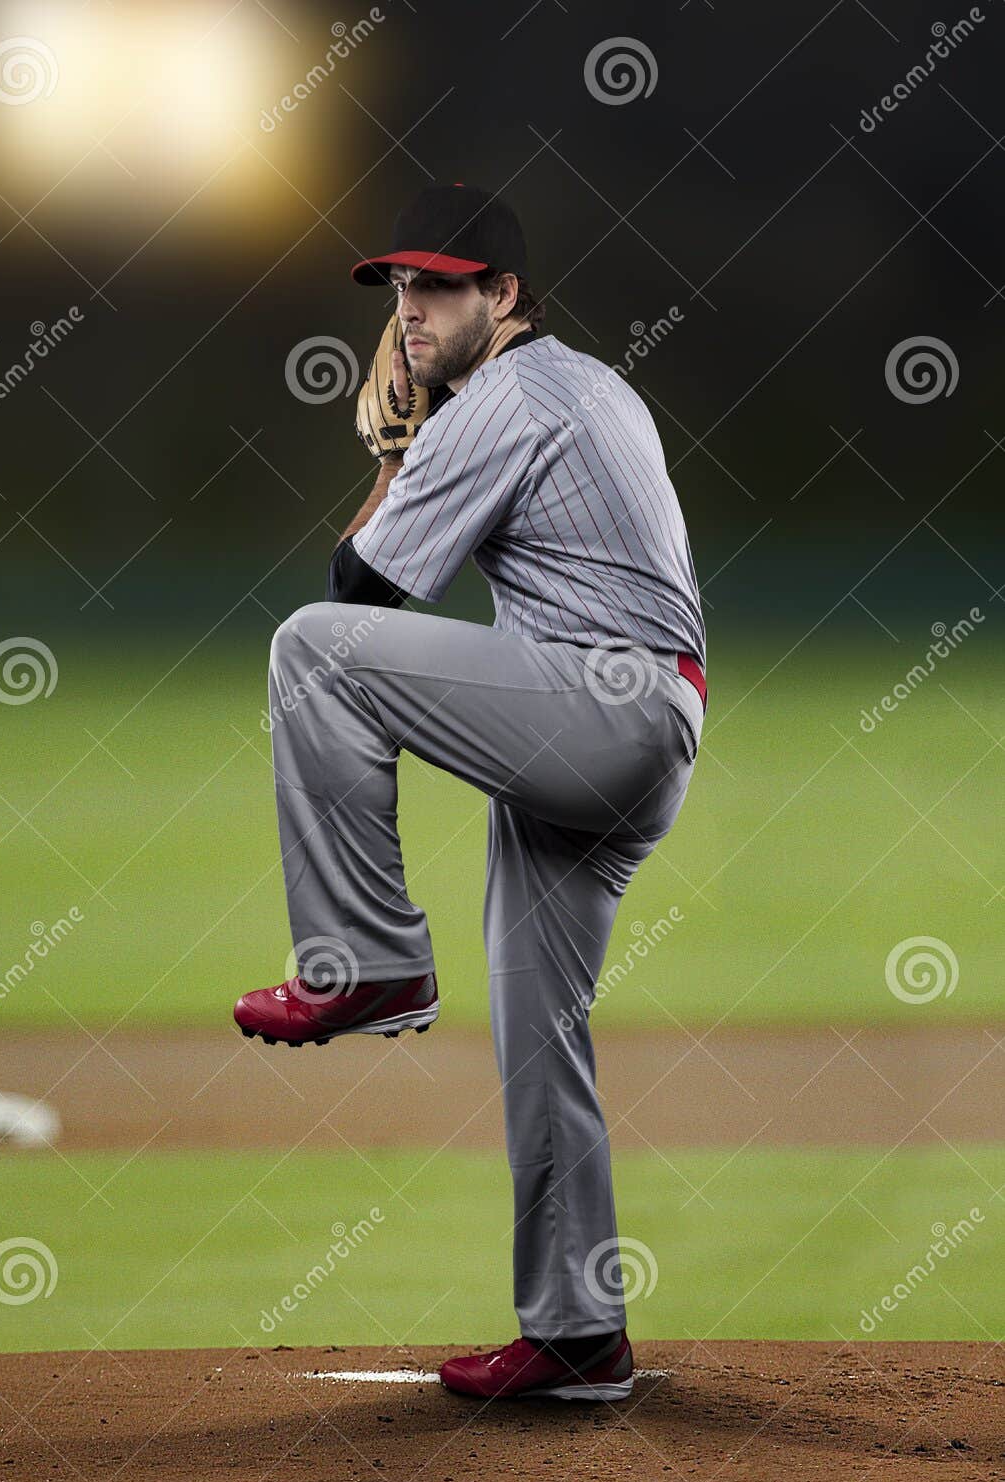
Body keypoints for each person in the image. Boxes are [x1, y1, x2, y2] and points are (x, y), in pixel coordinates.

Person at [234, 183, 706, 1403]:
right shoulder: (582, 383)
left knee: (308, 647)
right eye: (400, 285)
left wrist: (397, 451)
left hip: (602, 704)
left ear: (503, 295)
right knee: (539, 1031)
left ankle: (366, 960)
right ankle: (576, 1334)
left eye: (440, 284)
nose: (411, 307)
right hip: (622, 719)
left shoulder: (509, 393)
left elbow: (364, 591)